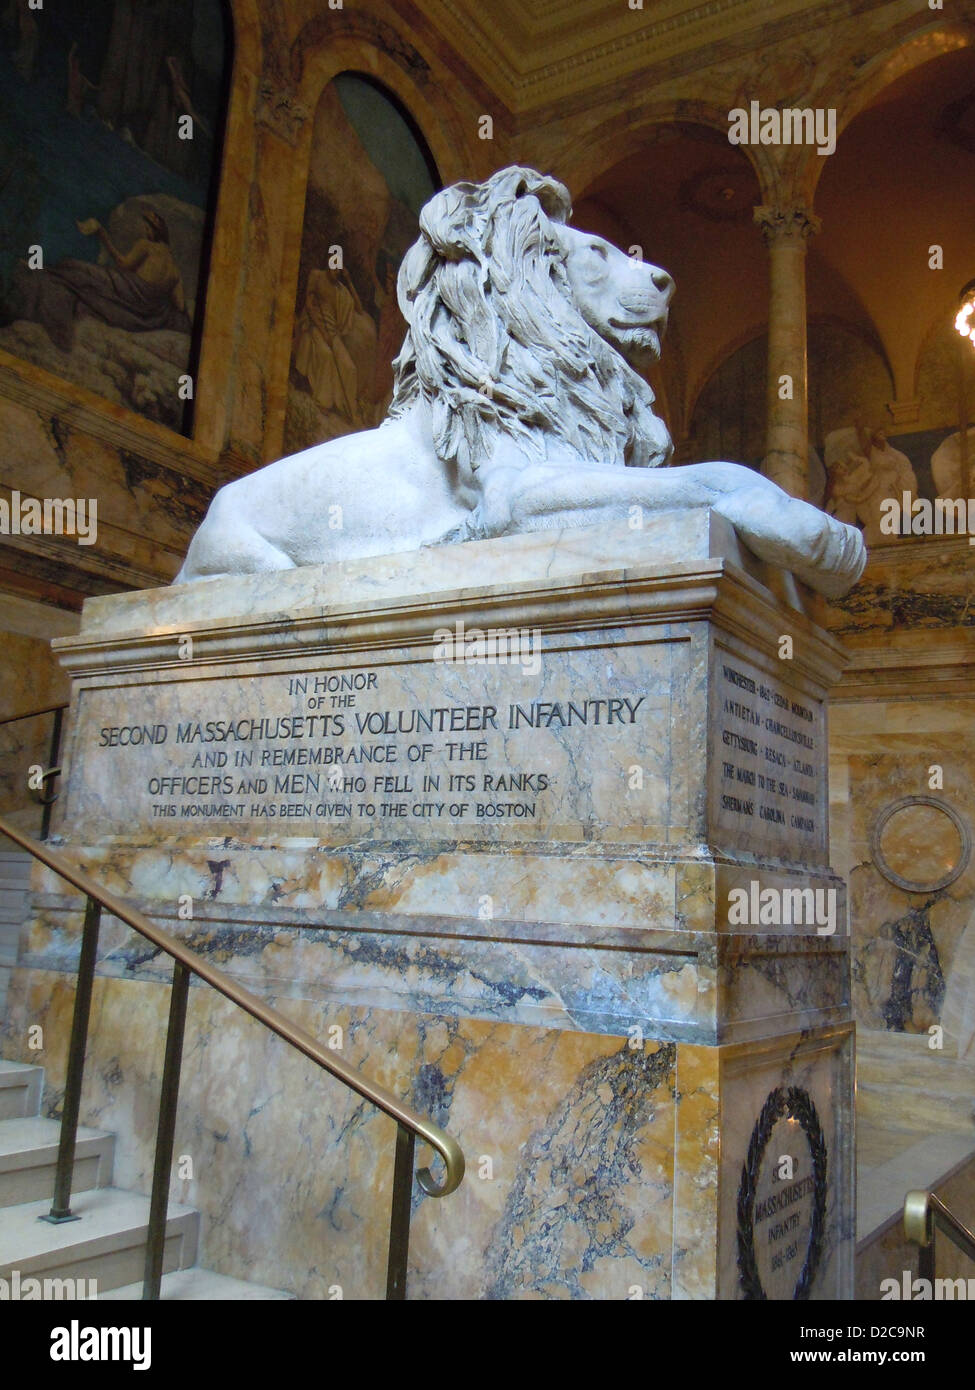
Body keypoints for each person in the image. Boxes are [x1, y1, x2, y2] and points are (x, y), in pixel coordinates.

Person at [2, 208, 190, 352]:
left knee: (76, 268)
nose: (144, 230)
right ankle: (43, 272)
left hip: (124, 288)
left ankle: (40, 272)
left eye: (147, 227)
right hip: (141, 309)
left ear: (154, 230)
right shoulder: (175, 273)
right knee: (80, 274)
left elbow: (123, 265)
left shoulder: (146, 246)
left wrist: (102, 234)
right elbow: (180, 306)